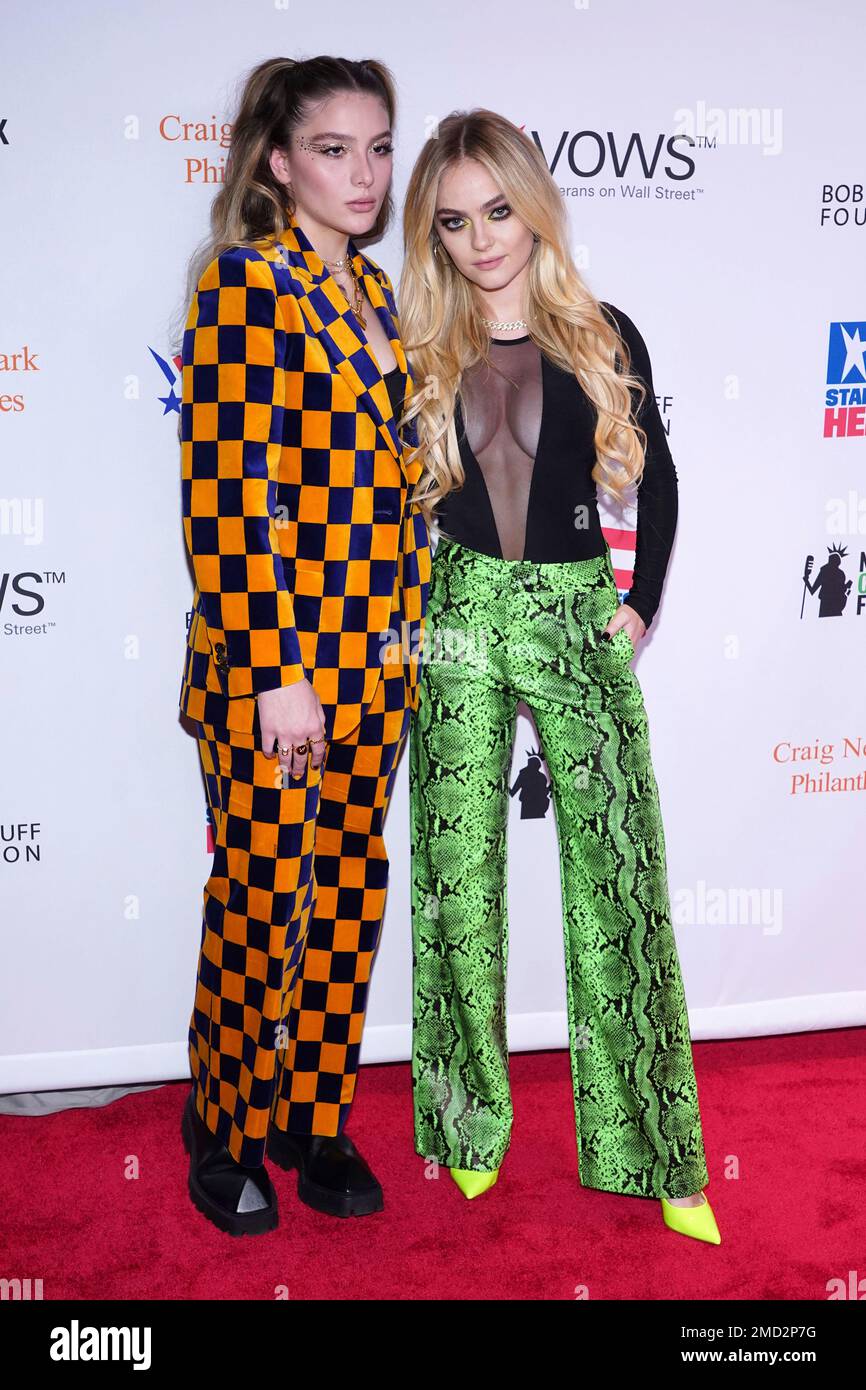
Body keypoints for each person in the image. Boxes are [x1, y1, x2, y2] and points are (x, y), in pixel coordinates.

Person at [398, 109, 720, 1245]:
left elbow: (661, 480)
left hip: (578, 607)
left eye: (496, 210)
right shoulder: (413, 346)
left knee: (618, 876)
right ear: (431, 236)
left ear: (531, 205)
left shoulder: (600, 329)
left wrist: (638, 606)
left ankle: (655, 1151)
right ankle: (463, 1124)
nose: (481, 239)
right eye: (452, 221)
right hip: (456, 612)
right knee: (454, 879)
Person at [176, 55, 430, 1235]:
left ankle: (310, 1114)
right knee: (263, 893)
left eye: (379, 147)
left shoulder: (379, 295)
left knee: (345, 896)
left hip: (380, 664)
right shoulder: (245, 286)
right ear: (279, 162)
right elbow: (228, 495)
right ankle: (222, 1120)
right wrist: (280, 671)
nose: (366, 172)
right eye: (336, 149)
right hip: (277, 670)